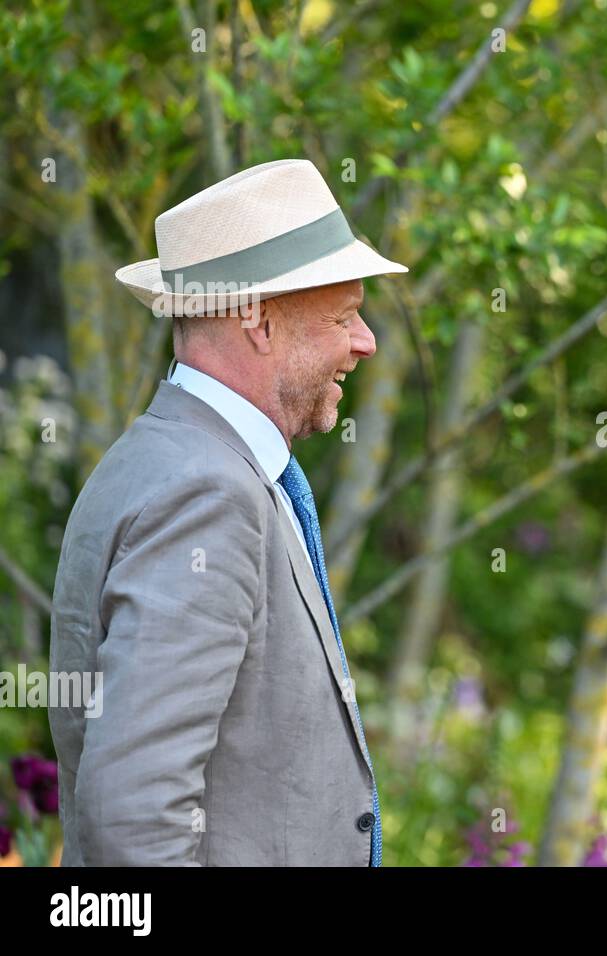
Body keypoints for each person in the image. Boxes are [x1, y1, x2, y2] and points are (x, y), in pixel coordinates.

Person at [48, 159, 406, 865]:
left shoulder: (161, 461)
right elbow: (133, 821)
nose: (365, 341)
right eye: (343, 314)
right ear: (259, 321)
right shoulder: (206, 494)